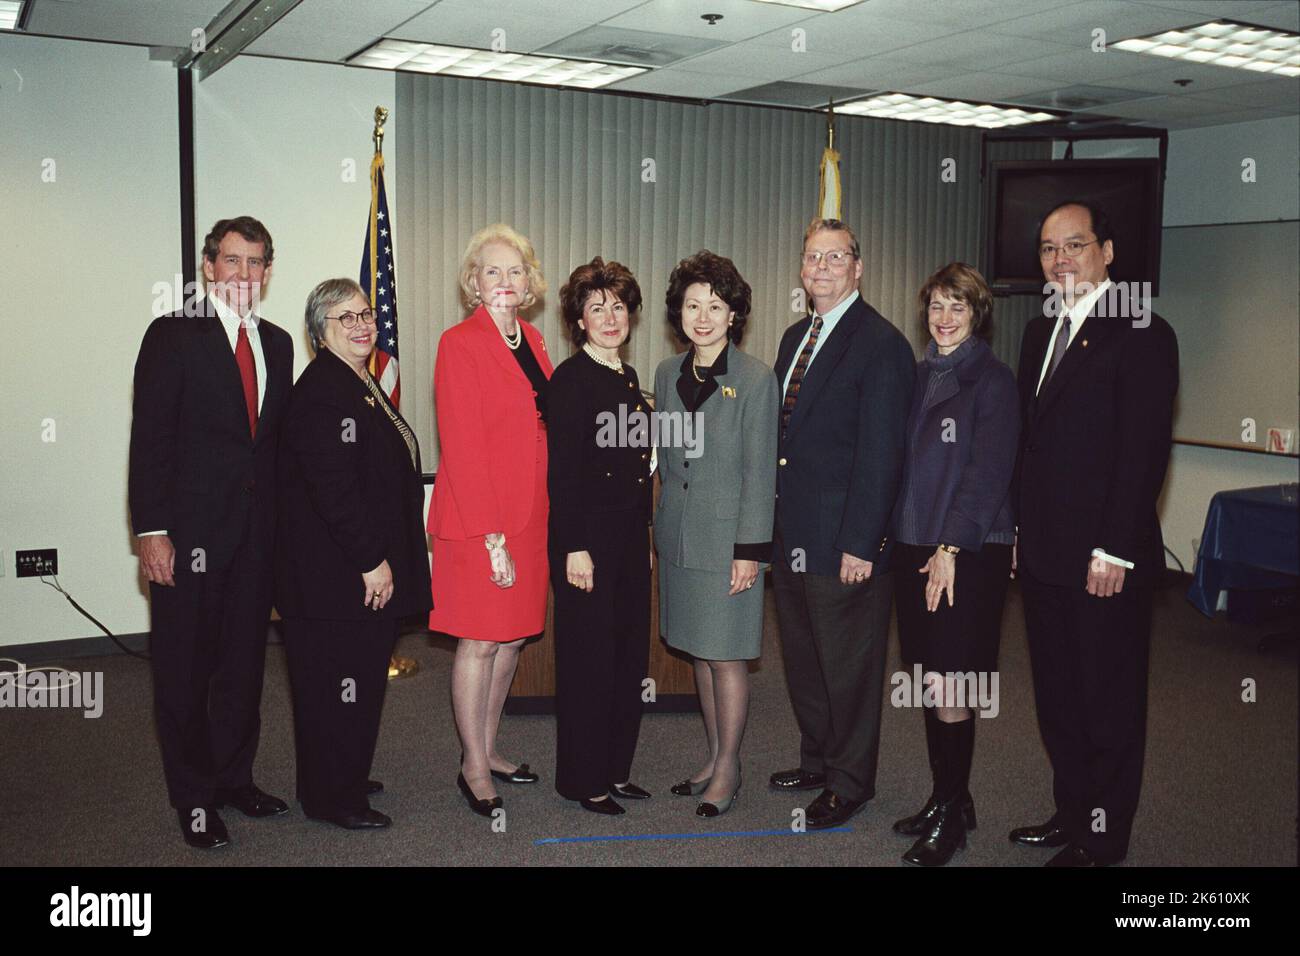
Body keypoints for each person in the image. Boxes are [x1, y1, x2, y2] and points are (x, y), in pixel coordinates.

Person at [1010, 200, 1178, 867]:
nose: (1060, 260)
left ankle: (1103, 840)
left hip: (1105, 558)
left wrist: (1111, 547)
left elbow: (1142, 452)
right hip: (1047, 552)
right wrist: (1019, 529)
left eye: (1074, 245)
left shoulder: (1142, 330)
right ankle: (1071, 812)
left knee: (1108, 702)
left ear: (1106, 251)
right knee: (1058, 696)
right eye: (1049, 249)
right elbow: (1032, 447)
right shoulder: (1038, 330)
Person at [129, 216, 294, 849]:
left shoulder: (276, 343)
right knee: (183, 672)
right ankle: (194, 801)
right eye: (232, 261)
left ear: (268, 272)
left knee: (242, 667)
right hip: (186, 538)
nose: (243, 275)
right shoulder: (172, 336)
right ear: (207, 266)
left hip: (255, 542)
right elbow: (152, 442)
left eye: (255, 263)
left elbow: (271, 451)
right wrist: (152, 531)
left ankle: (234, 780)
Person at [769, 217, 915, 829]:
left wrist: (863, 542)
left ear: (858, 268)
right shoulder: (793, 337)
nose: (821, 267)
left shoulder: (881, 344)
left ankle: (851, 782)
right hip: (793, 533)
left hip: (845, 542)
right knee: (805, 660)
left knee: (849, 667)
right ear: (801, 269)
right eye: (812, 257)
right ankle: (819, 759)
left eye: (835, 257)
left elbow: (883, 455)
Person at [275, 278, 431, 830]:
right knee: (334, 685)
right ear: (320, 332)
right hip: (335, 577)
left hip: (350, 572)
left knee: (355, 681)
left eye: (365, 314)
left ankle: (340, 775)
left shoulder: (358, 382)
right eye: (346, 318)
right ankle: (331, 799)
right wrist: (371, 559)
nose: (363, 324)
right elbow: (332, 489)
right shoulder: (325, 392)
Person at [889, 262, 1019, 866]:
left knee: (952, 682)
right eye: (937, 307)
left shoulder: (991, 380)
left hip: (964, 551)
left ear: (977, 314)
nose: (944, 319)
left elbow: (986, 475)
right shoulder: (917, 376)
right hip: (915, 547)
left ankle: (952, 821)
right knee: (928, 677)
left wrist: (949, 549)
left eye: (957, 308)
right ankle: (950, 798)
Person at [427, 223, 553, 818]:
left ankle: (490, 744)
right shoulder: (460, 343)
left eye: (514, 271)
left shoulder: (534, 340)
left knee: (513, 640)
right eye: (491, 270)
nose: (504, 280)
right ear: (474, 283)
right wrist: (491, 537)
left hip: (531, 519)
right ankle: (472, 763)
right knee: (479, 642)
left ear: (529, 284)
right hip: (482, 523)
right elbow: (463, 443)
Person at [654, 250, 779, 818]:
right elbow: (668, 459)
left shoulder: (754, 378)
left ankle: (729, 764)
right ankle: (712, 754)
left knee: (726, 656)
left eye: (715, 306)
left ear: (734, 315)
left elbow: (759, 470)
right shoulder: (665, 373)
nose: (702, 316)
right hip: (680, 538)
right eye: (692, 305)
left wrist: (750, 553)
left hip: (730, 544)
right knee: (699, 652)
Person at [547, 257, 654, 816]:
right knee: (589, 663)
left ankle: (615, 769)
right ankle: (583, 780)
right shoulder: (569, 381)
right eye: (597, 308)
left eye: (618, 306)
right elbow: (562, 473)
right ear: (579, 321)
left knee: (627, 659)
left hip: (630, 537)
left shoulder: (626, 376)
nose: (610, 317)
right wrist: (573, 547)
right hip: (587, 541)